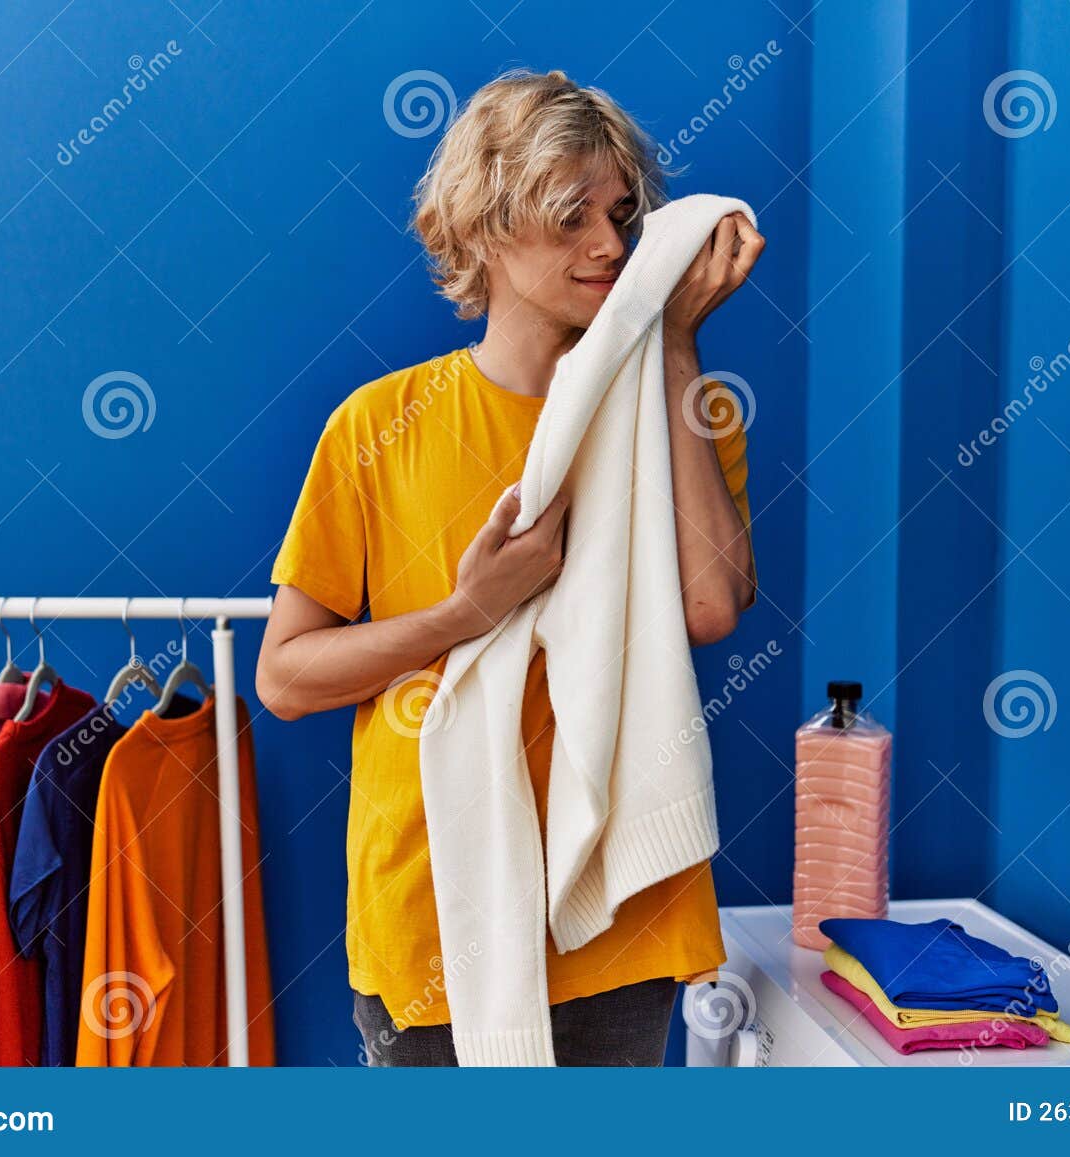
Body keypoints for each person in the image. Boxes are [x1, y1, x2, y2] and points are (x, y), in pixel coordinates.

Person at [256, 68, 762, 1066]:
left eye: (623, 214)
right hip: (436, 914)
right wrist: (466, 610)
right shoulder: (378, 427)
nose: (611, 245)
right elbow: (283, 677)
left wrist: (670, 344)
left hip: (622, 916)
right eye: (572, 215)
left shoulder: (686, 410)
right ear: (484, 226)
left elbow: (710, 607)